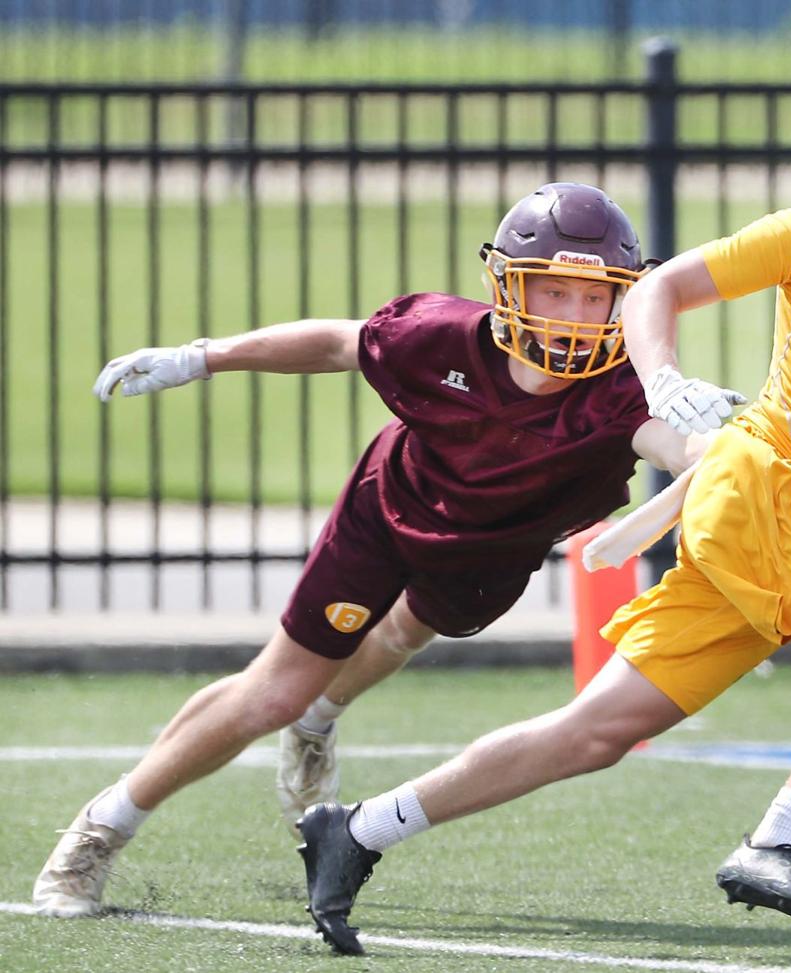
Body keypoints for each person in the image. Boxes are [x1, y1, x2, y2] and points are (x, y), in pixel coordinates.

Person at [292, 40, 791, 956]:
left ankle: (355, 831)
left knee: (594, 731)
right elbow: (659, 289)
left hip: (786, 516)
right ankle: (775, 841)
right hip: (762, 482)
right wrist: (664, 380)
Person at [32, 181, 717, 918]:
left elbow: (677, 447)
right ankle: (100, 828)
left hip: (496, 548)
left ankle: (320, 717)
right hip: (391, 508)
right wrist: (204, 357)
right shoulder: (443, 337)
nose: (576, 317)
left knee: (403, 630)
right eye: (554, 291)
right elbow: (337, 342)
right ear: (509, 287)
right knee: (273, 689)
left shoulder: (625, 389)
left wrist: (715, 438)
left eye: (595, 296)